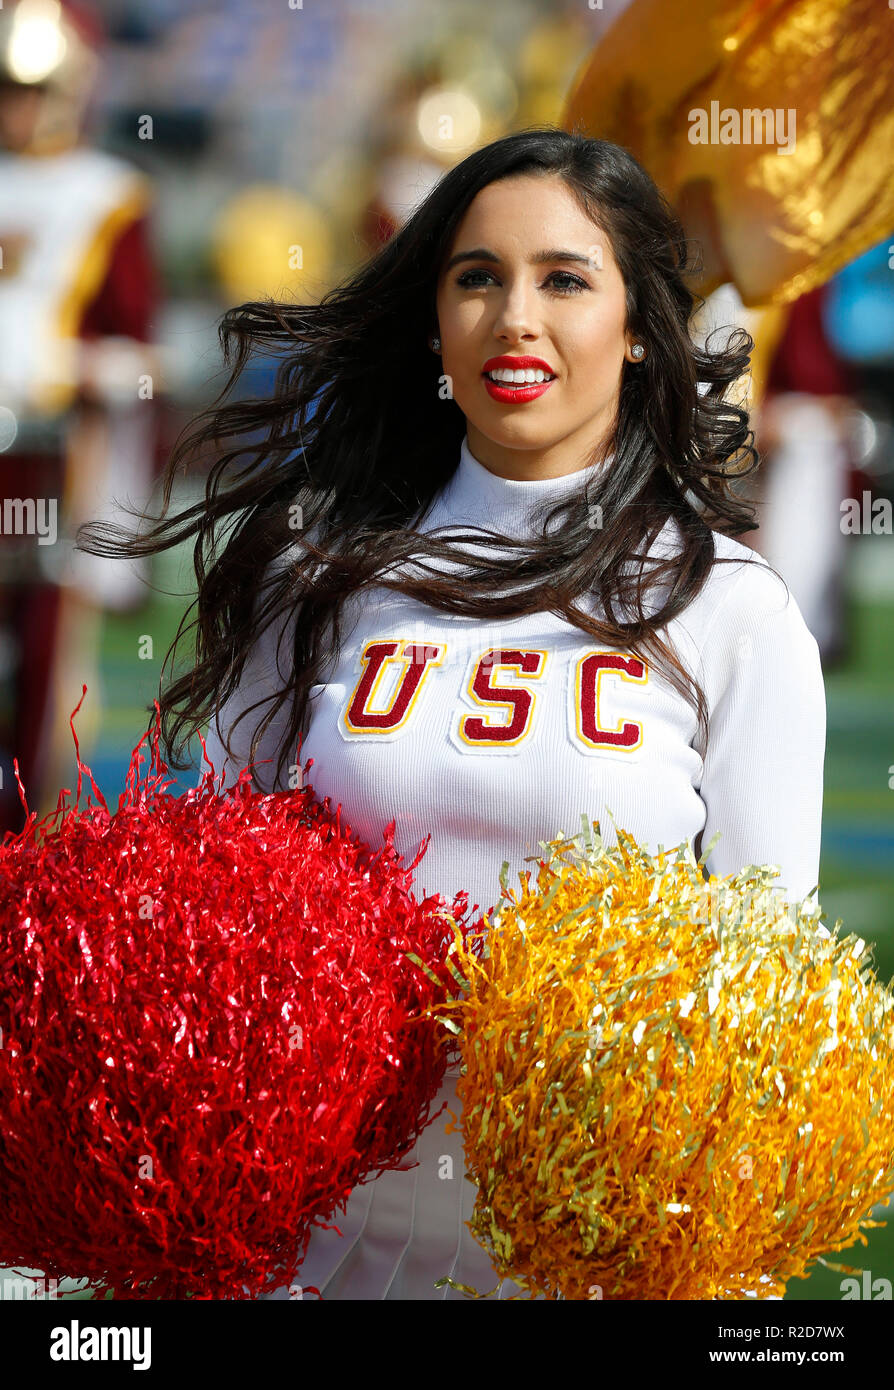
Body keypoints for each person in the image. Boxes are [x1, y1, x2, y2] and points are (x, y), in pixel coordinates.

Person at [75, 128, 826, 1300]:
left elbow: (764, 1007)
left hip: (581, 1271)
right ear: (435, 323)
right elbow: (207, 905)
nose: (514, 317)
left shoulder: (733, 611)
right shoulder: (319, 571)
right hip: (312, 1250)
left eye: (565, 279)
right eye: (478, 278)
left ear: (637, 330)